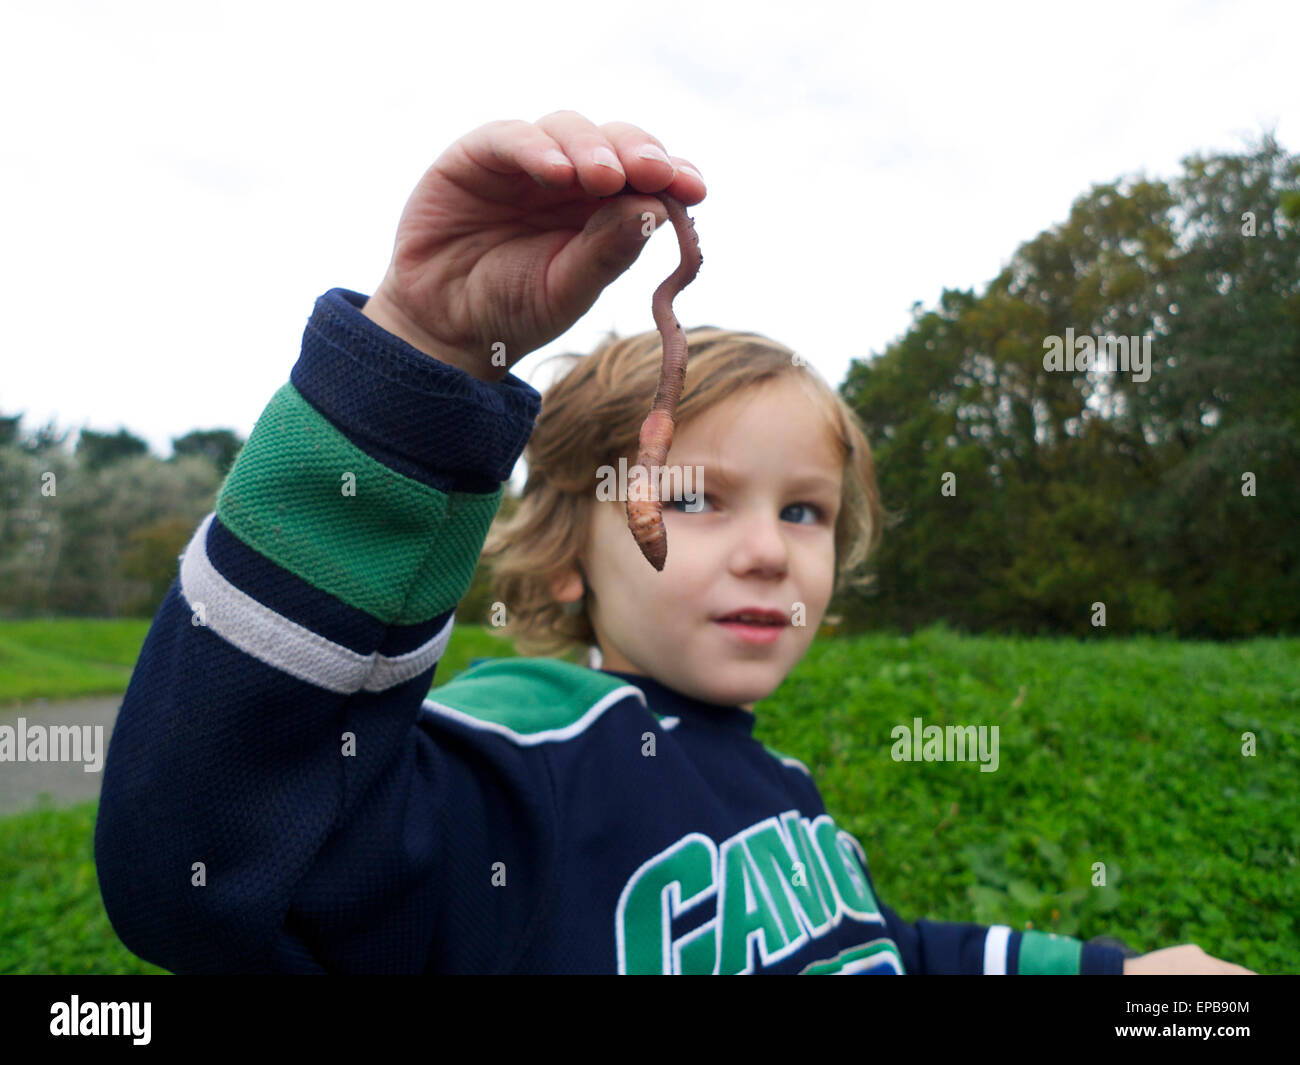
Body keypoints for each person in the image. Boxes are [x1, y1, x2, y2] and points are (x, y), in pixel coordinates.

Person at [94, 110, 1254, 975]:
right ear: (561, 553)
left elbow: (878, 947)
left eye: (804, 511)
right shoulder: (525, 750)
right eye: (693, 497)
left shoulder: (778, 786)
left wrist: (1114, 975)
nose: (767, 552)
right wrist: (422, 362)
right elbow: (218, 864)